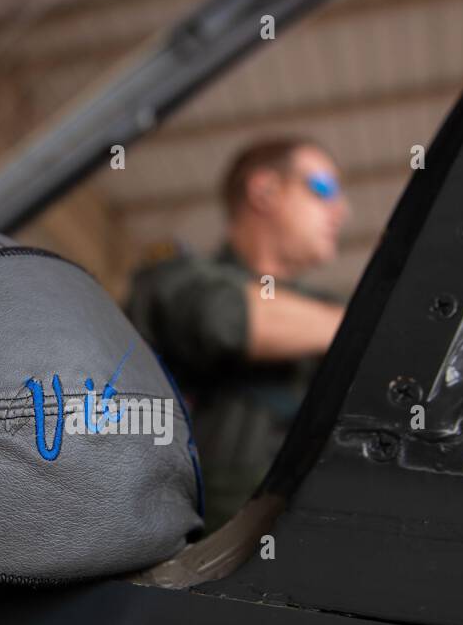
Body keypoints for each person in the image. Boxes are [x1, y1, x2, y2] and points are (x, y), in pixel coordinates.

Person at [127, 137, 350, 530]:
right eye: (323, 189)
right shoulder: (177, 274)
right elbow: (222, 318)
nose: (341, 210)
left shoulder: (325, 308)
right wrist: (357, 329)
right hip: (194, 556)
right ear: (264, 189)